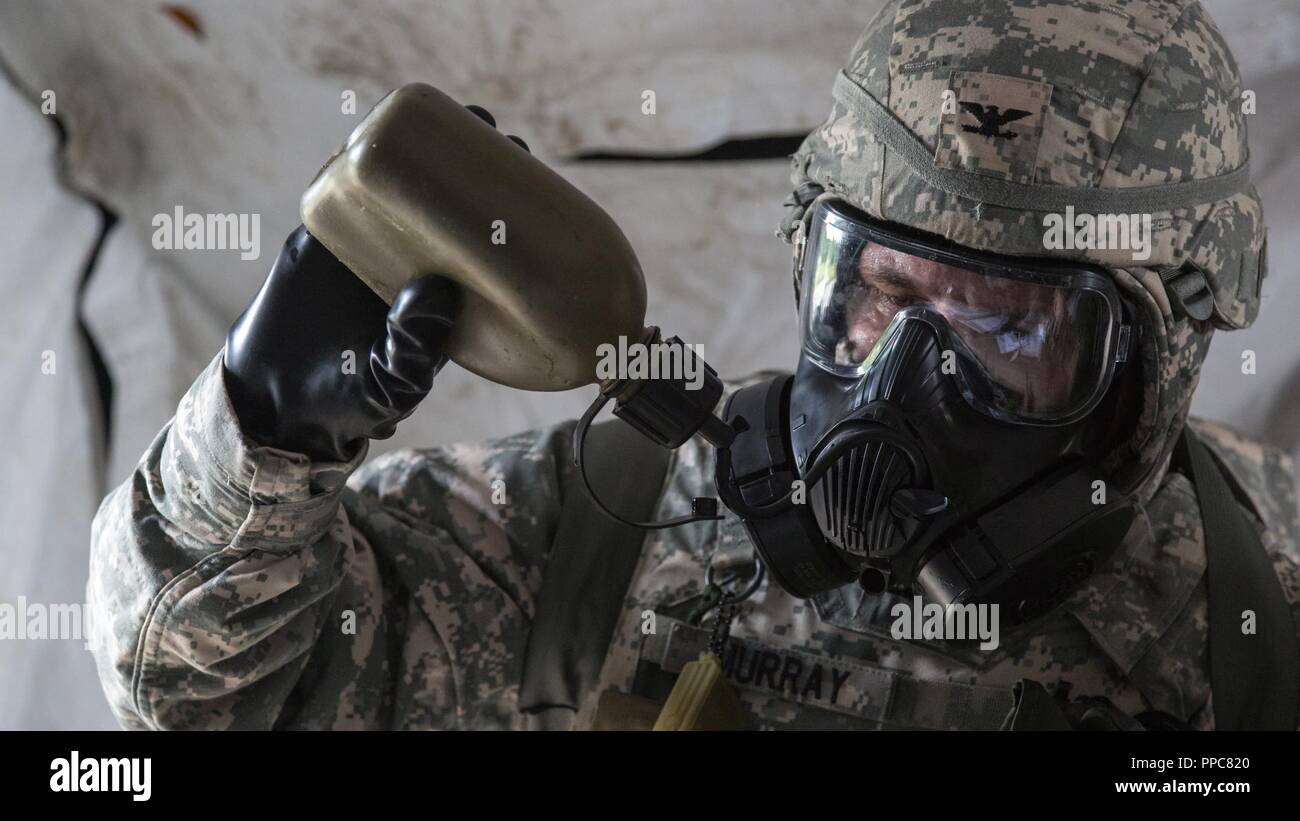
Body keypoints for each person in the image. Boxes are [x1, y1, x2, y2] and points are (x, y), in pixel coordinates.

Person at [88, 0, 1298, 730]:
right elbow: (203, 698)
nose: (893, 387)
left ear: (1156, 364)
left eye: (1005, 332)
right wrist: (257, 443)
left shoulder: (1267, 624)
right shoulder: (598, 538)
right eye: (873, 295)